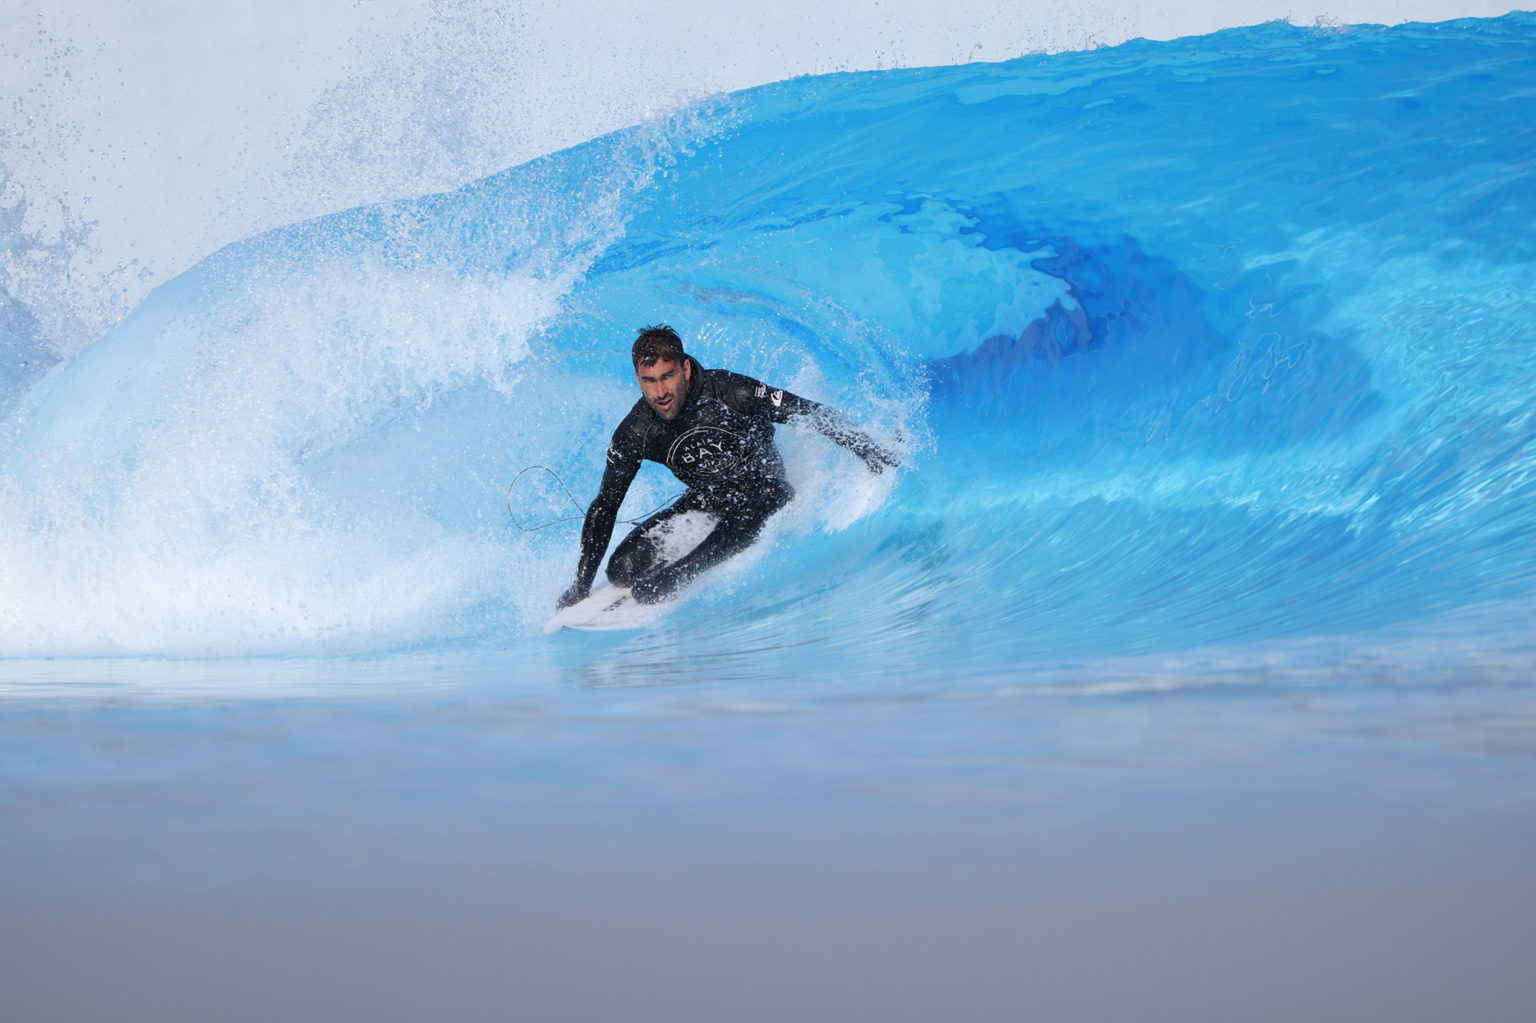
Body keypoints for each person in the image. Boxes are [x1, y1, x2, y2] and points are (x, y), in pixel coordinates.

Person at [557, 325, 896, 608]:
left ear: (686, 368)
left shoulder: (731, 391)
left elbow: (807, 411)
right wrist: (581, 585)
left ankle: (683, 572)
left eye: (667, 376)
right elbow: (605, 506)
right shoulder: (637, 431)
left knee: (761, 497)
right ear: (637, 378)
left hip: (765, 488)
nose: (659, 391)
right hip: (709, 500)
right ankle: (694, 552)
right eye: (649, 380)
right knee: (621, 570)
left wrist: (867, 448)